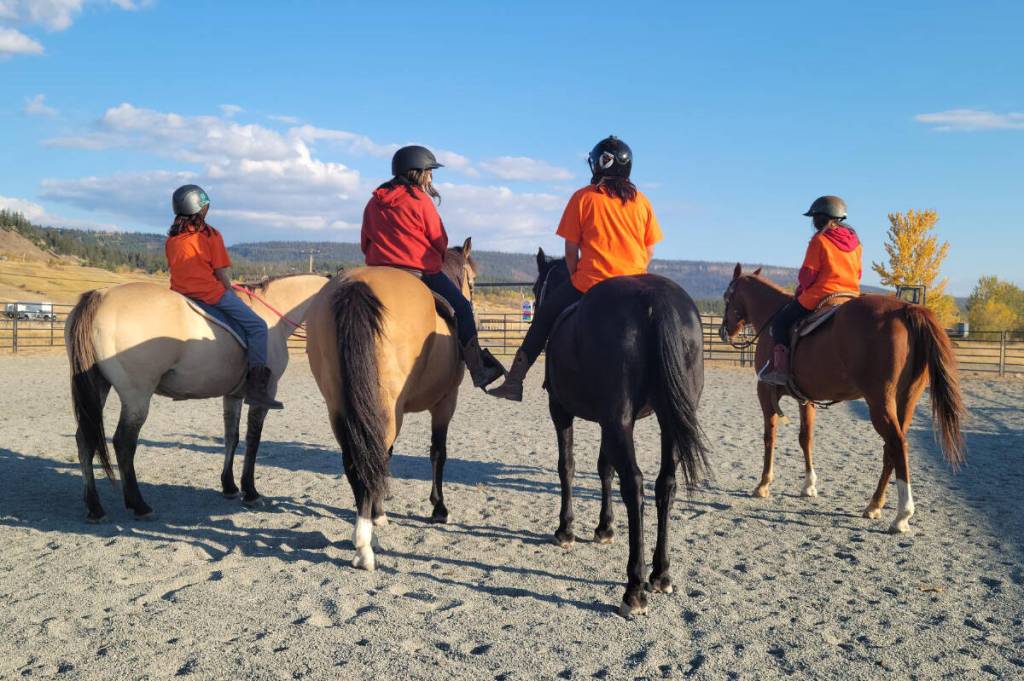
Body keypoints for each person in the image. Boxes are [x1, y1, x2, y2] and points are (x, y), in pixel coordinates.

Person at [489, 135, 663, 401]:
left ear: (596, 166)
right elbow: (650, 249)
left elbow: (571, 251)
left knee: (545, 314)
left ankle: (515, 380)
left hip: (591, 282)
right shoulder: (642, 202)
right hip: (636, 284)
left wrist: (575, 276)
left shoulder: (583, 198)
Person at [361, 145, 506, 389]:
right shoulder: (419, 200)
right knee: (462, 307)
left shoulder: (373, 203)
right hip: (418, 272)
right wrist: (435, 258)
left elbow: (365, 243)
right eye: (429, 171)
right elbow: (440, 241)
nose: (430, 176)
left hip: (376, 272)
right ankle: (477, 369)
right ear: (416, 172)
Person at [165, 184, 282, 409]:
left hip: (181, 296)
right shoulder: (210, 235)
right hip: (210, 295)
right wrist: (231, 292)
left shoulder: (172, 240)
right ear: (201, 208)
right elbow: (219, 273)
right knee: (257, 326)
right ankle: (257, 389)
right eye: (206, 206)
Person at [758, 195, 863, 386]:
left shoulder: (819, 241)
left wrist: (801, 289)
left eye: (814, 218)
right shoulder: (856, 244)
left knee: (780, 322)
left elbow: (807, 276)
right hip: (850, 296)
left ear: (820, 218)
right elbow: (859, 273)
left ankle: (781, 370)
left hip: (822, 295)